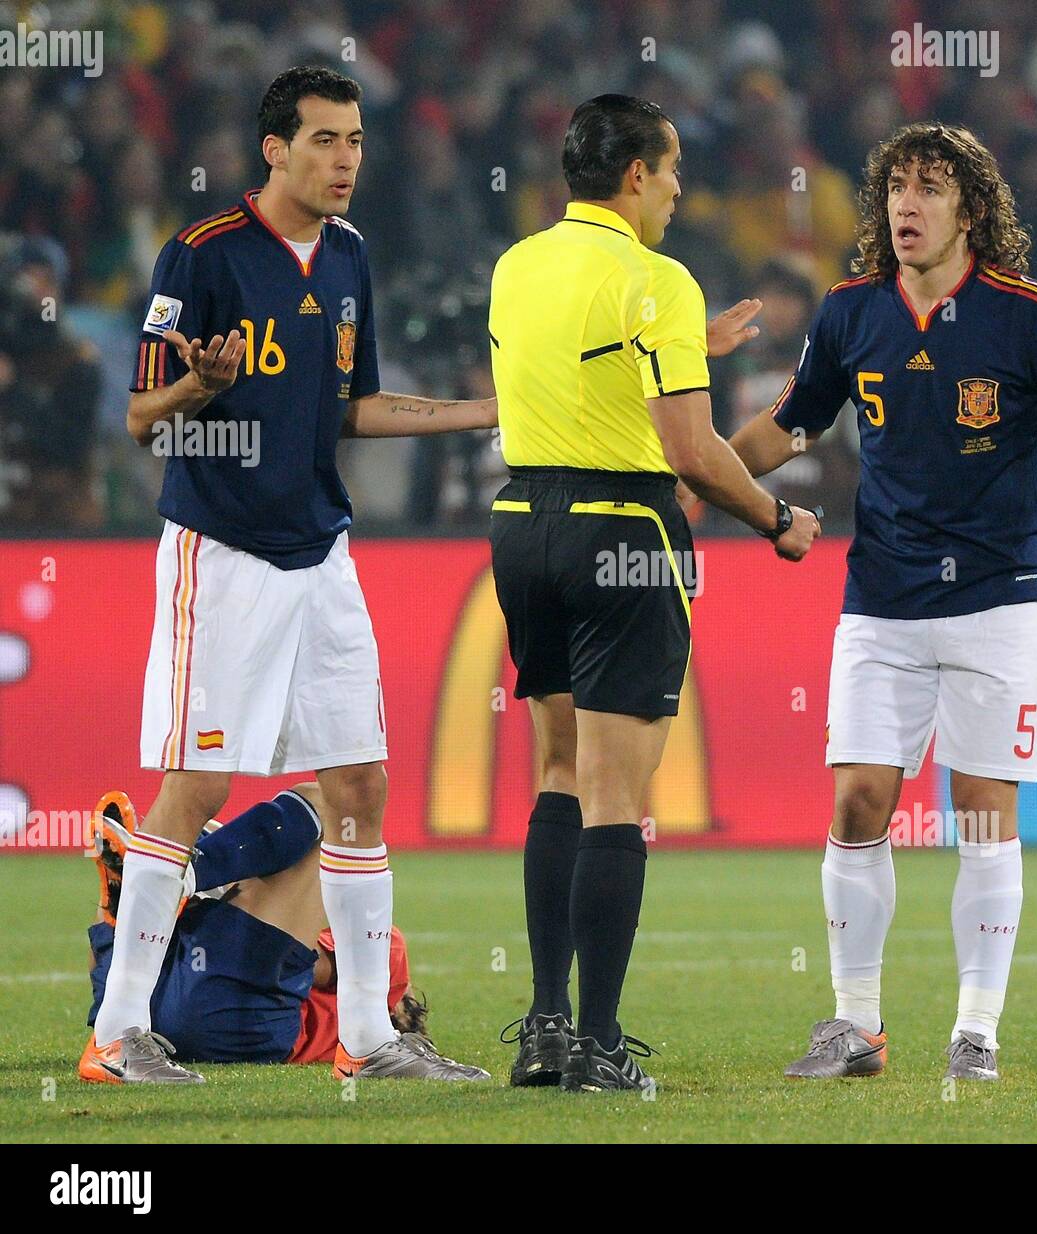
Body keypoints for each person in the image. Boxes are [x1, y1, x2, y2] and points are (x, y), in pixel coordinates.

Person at [719, 122, 1037, 1082]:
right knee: (857, 800)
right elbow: (790, 425)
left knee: (982, 810)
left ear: (971, 208)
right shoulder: (849, 311)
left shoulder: (1027, 311)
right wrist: (698, 477)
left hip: (999, 596)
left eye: (930, 189)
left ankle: (976, 1032)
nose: (907, 207)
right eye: (897, 189)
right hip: (880, 596)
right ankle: (856, 1026)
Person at [80, 65, 497, 1085]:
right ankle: (117, 1035)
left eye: (354, 140)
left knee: (359, 782)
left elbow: (351, 405)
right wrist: (199, 384)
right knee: (197, 783)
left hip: (323, 554)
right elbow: (140, 417)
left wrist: (473, 413)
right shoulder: (205, 254)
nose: (345, 158)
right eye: (324, 140)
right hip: (221, 554)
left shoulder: (350, 257)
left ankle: (366, 1036)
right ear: (274, 149)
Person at [488, 94, 820, 1093]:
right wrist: (775, 521)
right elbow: (691, 453)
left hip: (520, 525)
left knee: (555, 771)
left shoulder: (516, 266)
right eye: (671, 171)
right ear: (635, 173)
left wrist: (689, 348)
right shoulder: (657, 279)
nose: (679, 189)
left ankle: (544, 1028)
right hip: (623, 531)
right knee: (617, 796)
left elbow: (572, 375)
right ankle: (599, 1045)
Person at [83, 790, 486, 1078]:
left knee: (331, 804)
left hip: (219, 1008)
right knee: (228, 884)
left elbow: (317, 970)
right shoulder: (344, 1019)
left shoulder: (387, 949)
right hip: (211, 1019)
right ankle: (175, 883)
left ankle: (176, 875)